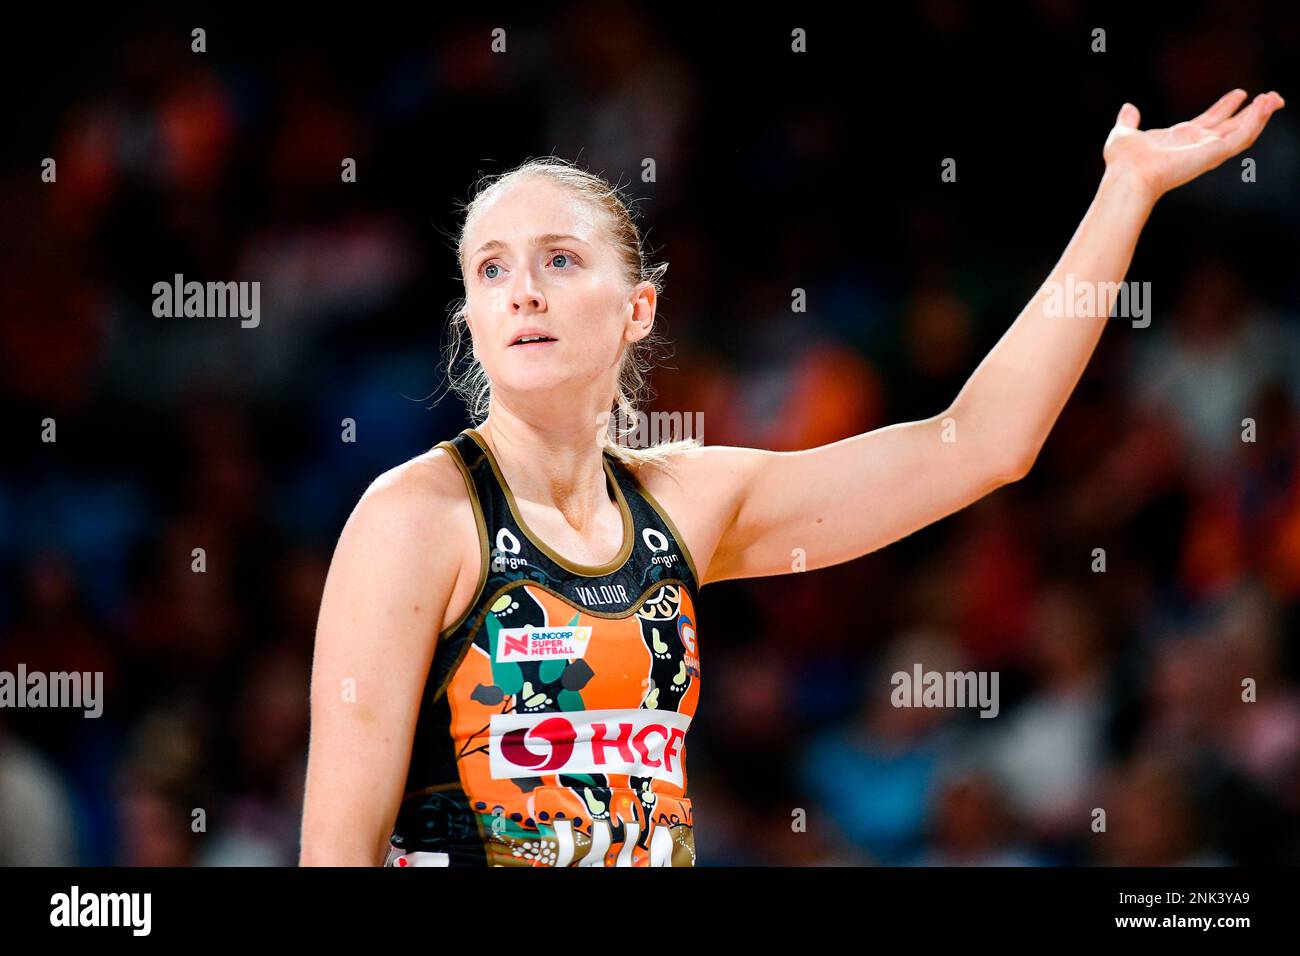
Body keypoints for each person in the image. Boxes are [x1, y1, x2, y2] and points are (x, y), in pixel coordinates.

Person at [299, 89, 1285, 866]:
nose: (521, 289)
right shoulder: (416, 517)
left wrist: (1127, 190)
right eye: (491, 270)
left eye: (559, 258)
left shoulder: (686, 499)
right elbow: (335, 850)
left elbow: (984, 442)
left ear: (637, 309)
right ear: (469, 317)